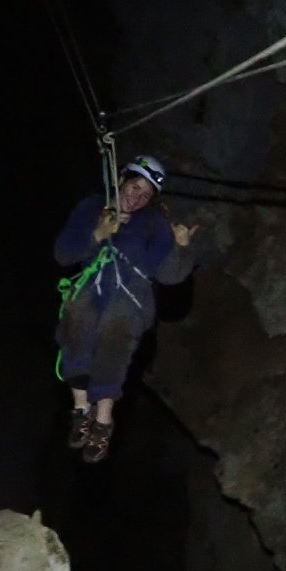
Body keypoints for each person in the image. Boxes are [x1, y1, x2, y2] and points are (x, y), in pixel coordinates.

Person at [52, 154, 198, 462]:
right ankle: (81, 410)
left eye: (145, 194)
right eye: (134, 187)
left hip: (132, 295)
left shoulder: (154, 223)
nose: (137, 198)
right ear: (120, 179)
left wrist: (182, 247)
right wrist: (98, 234)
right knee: (79, 317)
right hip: (93, 284)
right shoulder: (93, 207)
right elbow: (63, 253)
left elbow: (170, 275)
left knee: (115, 326)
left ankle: (103, 421)